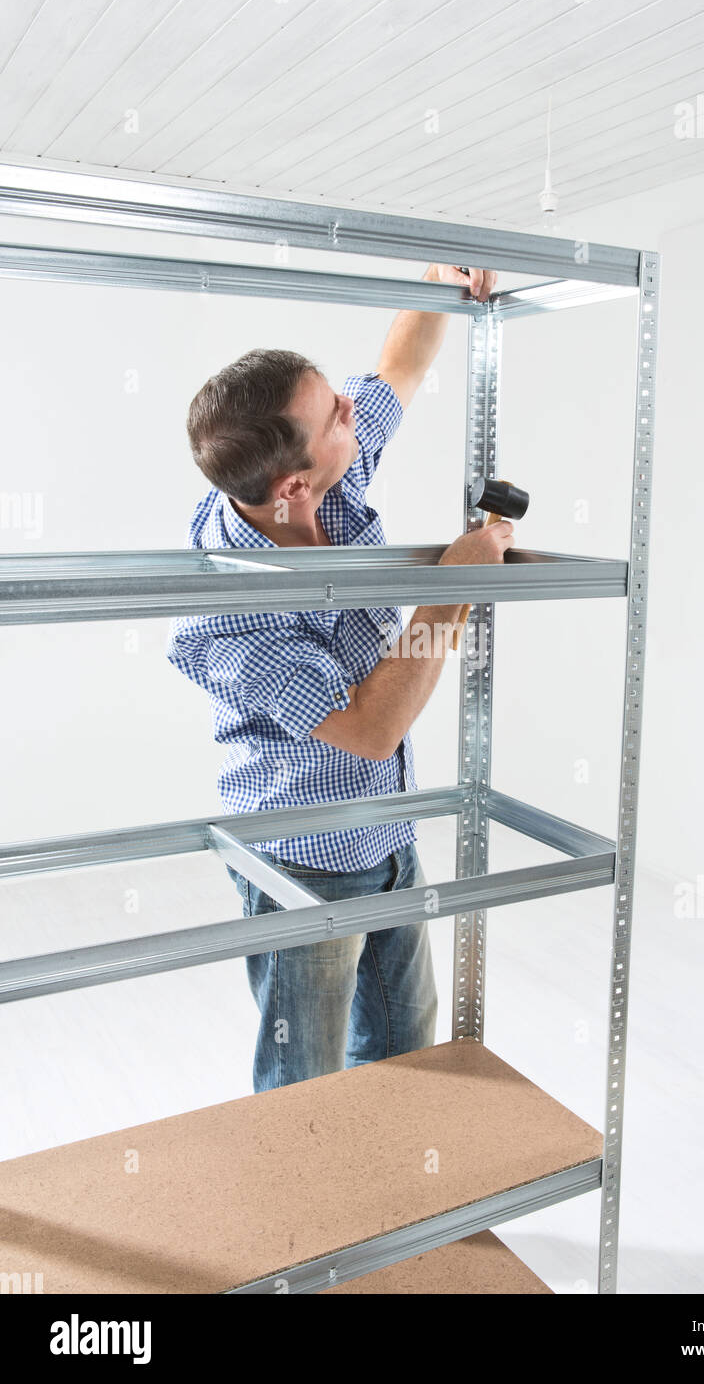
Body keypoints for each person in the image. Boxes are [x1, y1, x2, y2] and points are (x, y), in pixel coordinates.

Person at [165, 263, 514, 1093]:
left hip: (388, 833)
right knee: (303, 1078)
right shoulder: (226, 614)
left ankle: (384, 1197)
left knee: (400, 1046)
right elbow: (368, 729)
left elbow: (400, 368)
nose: (352, 410)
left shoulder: (330, 472)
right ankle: (299, 1215)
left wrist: (439, 284)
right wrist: (453, 584)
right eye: (333, 414)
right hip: (304, 864)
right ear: (291, 486)